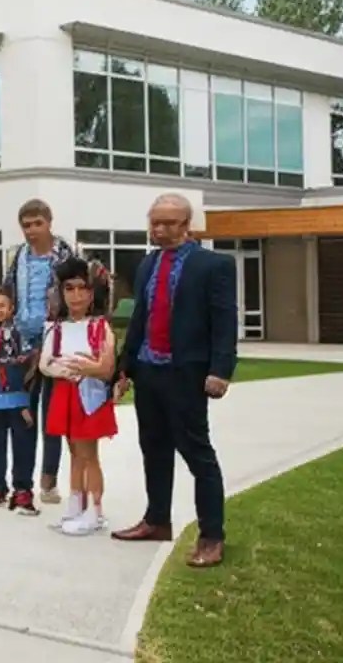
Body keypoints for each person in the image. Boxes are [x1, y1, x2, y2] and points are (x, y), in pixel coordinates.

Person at [113, 193, 237, 569]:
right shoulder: (148, 263)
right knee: (154, 449)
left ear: (187, 225)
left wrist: (220, 370)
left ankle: (212, 536)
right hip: (149, 371)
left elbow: (225, 320)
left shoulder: (213, 265)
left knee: (198, 454)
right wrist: (124, 367)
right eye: (155, 222)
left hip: (187, 373)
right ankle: (156, 520)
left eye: (169, 223)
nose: (160, 229)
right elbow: (140, 320)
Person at [2, 198, 76, 506]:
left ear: (49, 222)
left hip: (55, 341)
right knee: (24, 414)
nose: (32, 231)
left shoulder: (65, 255)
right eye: (26, 225)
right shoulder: (17, 255)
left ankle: (49, 478)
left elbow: (78, 292)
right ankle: (22, 481)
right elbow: (7, 292)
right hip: (22, 343)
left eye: (37, 224)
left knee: (52, 416)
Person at [40, 257, 118, 535]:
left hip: (90, 396)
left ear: (92, 293)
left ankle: (95, 510)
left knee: (89, 454)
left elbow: (106, 366)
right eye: (69, 288)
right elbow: (45, 362)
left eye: (82, 288)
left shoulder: (100, 327)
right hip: (65, 392)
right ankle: (76, 503)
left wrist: (89, 368)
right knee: (73, 452)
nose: (75, 295)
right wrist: (68, 370)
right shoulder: (55, 327)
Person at [0, 287, 39, 514]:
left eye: (2, 306)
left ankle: (22, 488)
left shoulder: (21, 331)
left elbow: (32, 358)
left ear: (11, 309)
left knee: (23, 444)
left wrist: (28, 385)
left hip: (18, 396)